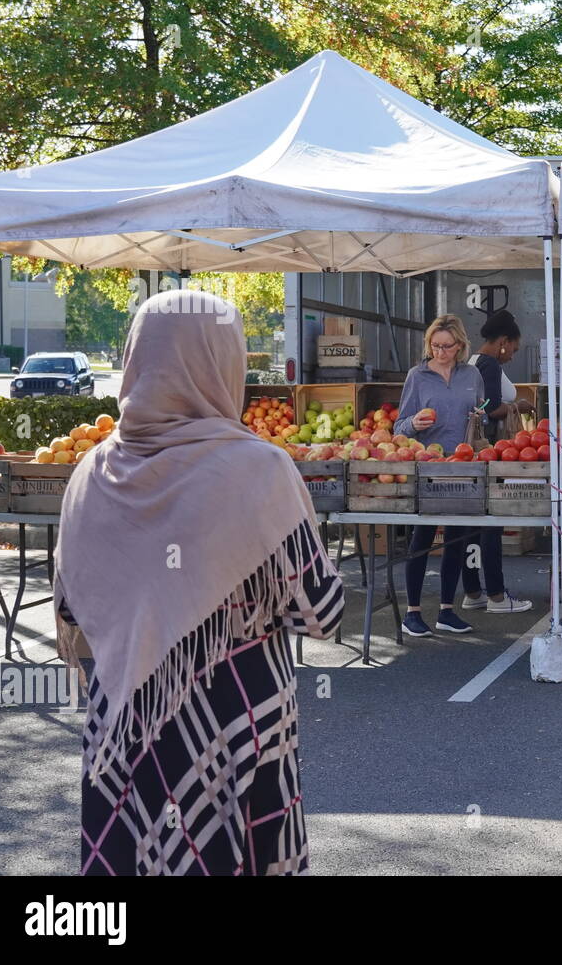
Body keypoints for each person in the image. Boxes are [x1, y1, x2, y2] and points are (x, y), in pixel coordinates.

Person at [54, 290, 344, 875]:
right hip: (236, 724)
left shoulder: (90, 474)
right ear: (223, 362)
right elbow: (322, 611)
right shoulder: (260, 470)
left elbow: (71, 608)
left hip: (125, 724)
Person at [394, 314, 487, 636]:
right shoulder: (417, 376)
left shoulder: (472, 374)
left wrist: (479, 417)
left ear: (460, 346)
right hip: (428, 465)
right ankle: (412, 612)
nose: (440, 352)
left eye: (447, 347)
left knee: (456, 539)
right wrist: (413, 424)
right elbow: (399, 426)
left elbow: (479, 415)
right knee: (421, 538)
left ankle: (447, 610)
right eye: (435, 346)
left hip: (463, 463)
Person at [459, 309, 534, 614]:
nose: (512, 356)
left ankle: (472, 591)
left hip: (469, 454)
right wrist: (519, 406)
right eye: (513, 349)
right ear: (503, 341)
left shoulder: (471, 363)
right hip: (488, 453)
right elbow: (488, 408)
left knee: (470, 526)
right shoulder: (488, 365)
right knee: (491, 523)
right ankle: (497, 596)